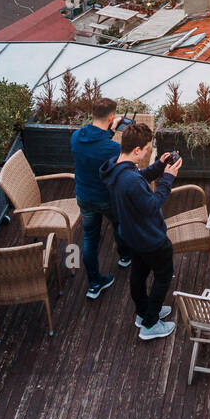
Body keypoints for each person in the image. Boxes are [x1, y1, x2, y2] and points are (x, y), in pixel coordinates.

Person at [101, 122, 183, 341]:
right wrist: (168, 178)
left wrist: (158, 166)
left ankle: (142, 312)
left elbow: (137, 179)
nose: (147, 152)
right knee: (163, 277)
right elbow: (152, 204)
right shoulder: (130, 179)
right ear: (137, 150)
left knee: (138, 275)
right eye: (147, 149)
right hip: (151, 239)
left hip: (132, 235)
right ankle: (150, 324)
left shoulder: (115, 167)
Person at [71, 98, 133, 300]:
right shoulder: (113, 149)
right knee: (119, 225)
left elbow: (94, 144)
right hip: (107, 198)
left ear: (93, 114)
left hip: (84, 197)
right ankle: (125, 257)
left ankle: (94, 284)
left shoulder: (75, 138)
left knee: (89, 238)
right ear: (112, 117)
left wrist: (109, 131)